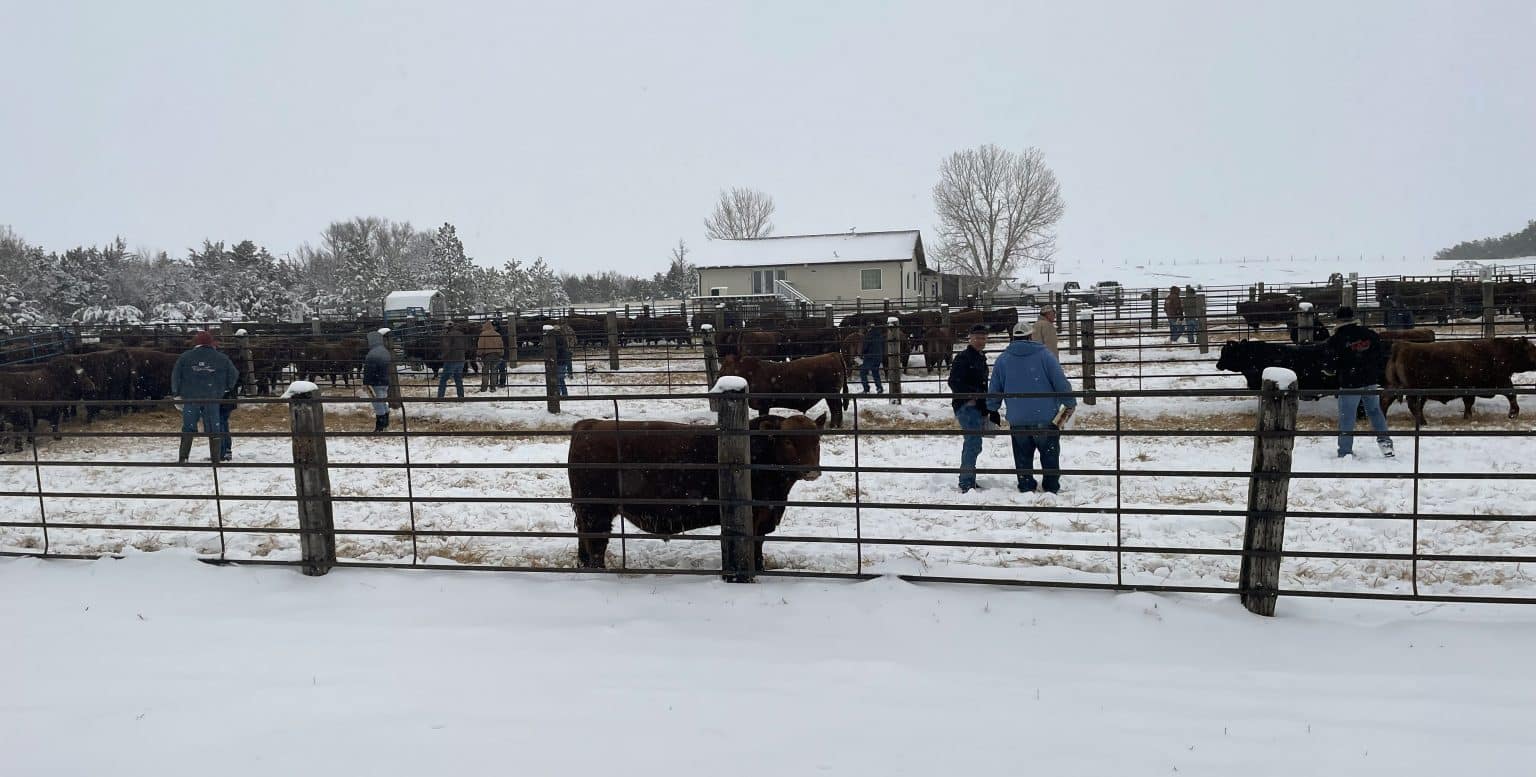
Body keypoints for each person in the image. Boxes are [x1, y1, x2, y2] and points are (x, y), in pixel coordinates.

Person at [987, 321, 1077, 493]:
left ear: (1013, 337)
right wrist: (1069, 402)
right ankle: (1051, 486)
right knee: (1049, 455)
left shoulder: (1003, 359)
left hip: (1018, 418)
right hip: (1045, 417)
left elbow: (995, 389)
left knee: (1022, 456)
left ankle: (1026, 485)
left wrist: (992, 407)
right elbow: (1060, 382)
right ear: (1030, 336)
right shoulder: (1045, 356)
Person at [1326, 306, 1394, 459]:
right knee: (1375, 411)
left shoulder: (1336, 339)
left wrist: (1332, 370)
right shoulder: (1369, 334)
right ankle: (1386, 444)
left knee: (1347, 416)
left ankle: (1345, 451)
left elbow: (1331, 364)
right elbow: (1380, 355)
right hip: (1369, 379)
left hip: (1350, 382)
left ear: (1338, 320)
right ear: (1353, 318)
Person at [171, 330, 239, 464]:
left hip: (191, 398)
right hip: (212, 398)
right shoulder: (221, 357)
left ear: (196, 343)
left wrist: (176, 394)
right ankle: (216, 457)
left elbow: (176, 375)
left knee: (188, 427)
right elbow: (234, 374)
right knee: (214, 427)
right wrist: (225, 388)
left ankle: (183, 457)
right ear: (211, 343)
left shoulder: (185, 357)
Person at [947, 324, 994, 493]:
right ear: (970, 338)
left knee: (974, 443)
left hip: (977, 405)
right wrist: (970, 397)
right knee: (973, 442)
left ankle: (968, 478)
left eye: (983, 338)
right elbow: (953, 382)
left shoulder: (979, 357)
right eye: (977, 338)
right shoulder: (964, 358)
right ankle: (966, 481)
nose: (981, 341)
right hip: (967, 406)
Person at [363, 329, 393, 432]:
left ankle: (380, 426)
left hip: (375, 383)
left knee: (377, 404)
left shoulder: (372, 354)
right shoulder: (384, 351)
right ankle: (386, 423)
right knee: (383, 402)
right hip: (384, 381)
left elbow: (369, 370)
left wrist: (366, 383)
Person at [437, 321, 469, 398]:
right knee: (458, 379)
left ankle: (440, 397)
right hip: (461, 359)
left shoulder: (448, 335)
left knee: (443, 379)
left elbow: (446, 348)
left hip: (451, 360)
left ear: (447, 328)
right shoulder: (461, 334)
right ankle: (461, 396)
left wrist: (441, 356)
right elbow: (466, 346)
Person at [476, 321, 504, 393]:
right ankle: (493, 388)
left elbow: (480, 345)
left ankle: (484, 388)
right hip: (497, 355)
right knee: (494, 372)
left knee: (485, 372)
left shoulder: (483, 334)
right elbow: (501, 345)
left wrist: (478, 354)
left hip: (487, 355)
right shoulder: (497, 334)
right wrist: (501, 354)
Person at [859, 323, 887, 393]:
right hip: (878, 357)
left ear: (868, 328)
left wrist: (862, 355)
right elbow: (883, 346)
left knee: (863, 372)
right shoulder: (880, 335)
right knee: (875, 372)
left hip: (869, 357)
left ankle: (866, 388)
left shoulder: (868, 335)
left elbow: (865, 347)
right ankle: (879, 387)